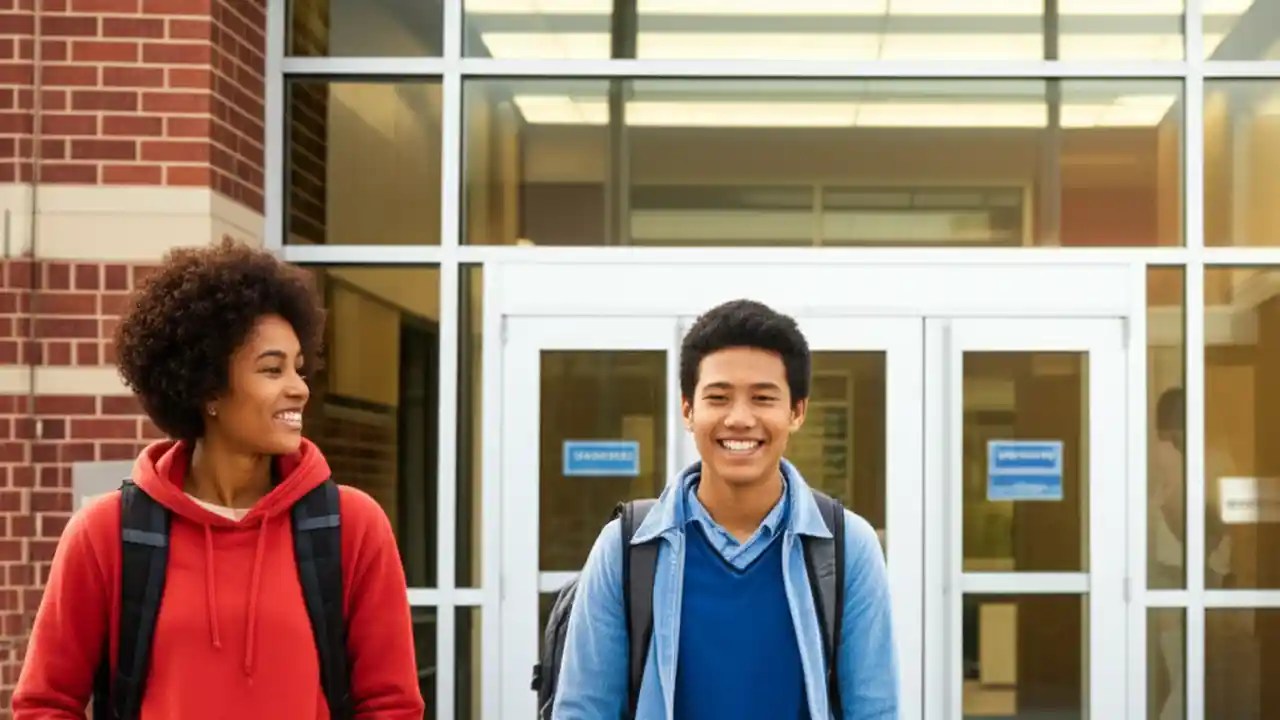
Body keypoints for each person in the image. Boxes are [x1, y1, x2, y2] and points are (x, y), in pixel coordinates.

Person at [12, 239, 425, 719]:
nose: (299, 388)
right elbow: (45, 703)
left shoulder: (351, 527)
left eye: (298, 367)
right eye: (272, 369)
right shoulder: (106, 534)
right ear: (207, 386)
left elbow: (391, 705)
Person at [552, 299, 898, 719]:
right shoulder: (628, 547)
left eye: (763, 398)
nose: (739, 418)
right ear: (687, 409)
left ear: (797, 412)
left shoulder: (846, 547)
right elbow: (583, 710)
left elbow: (875, 711)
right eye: (718, 397)